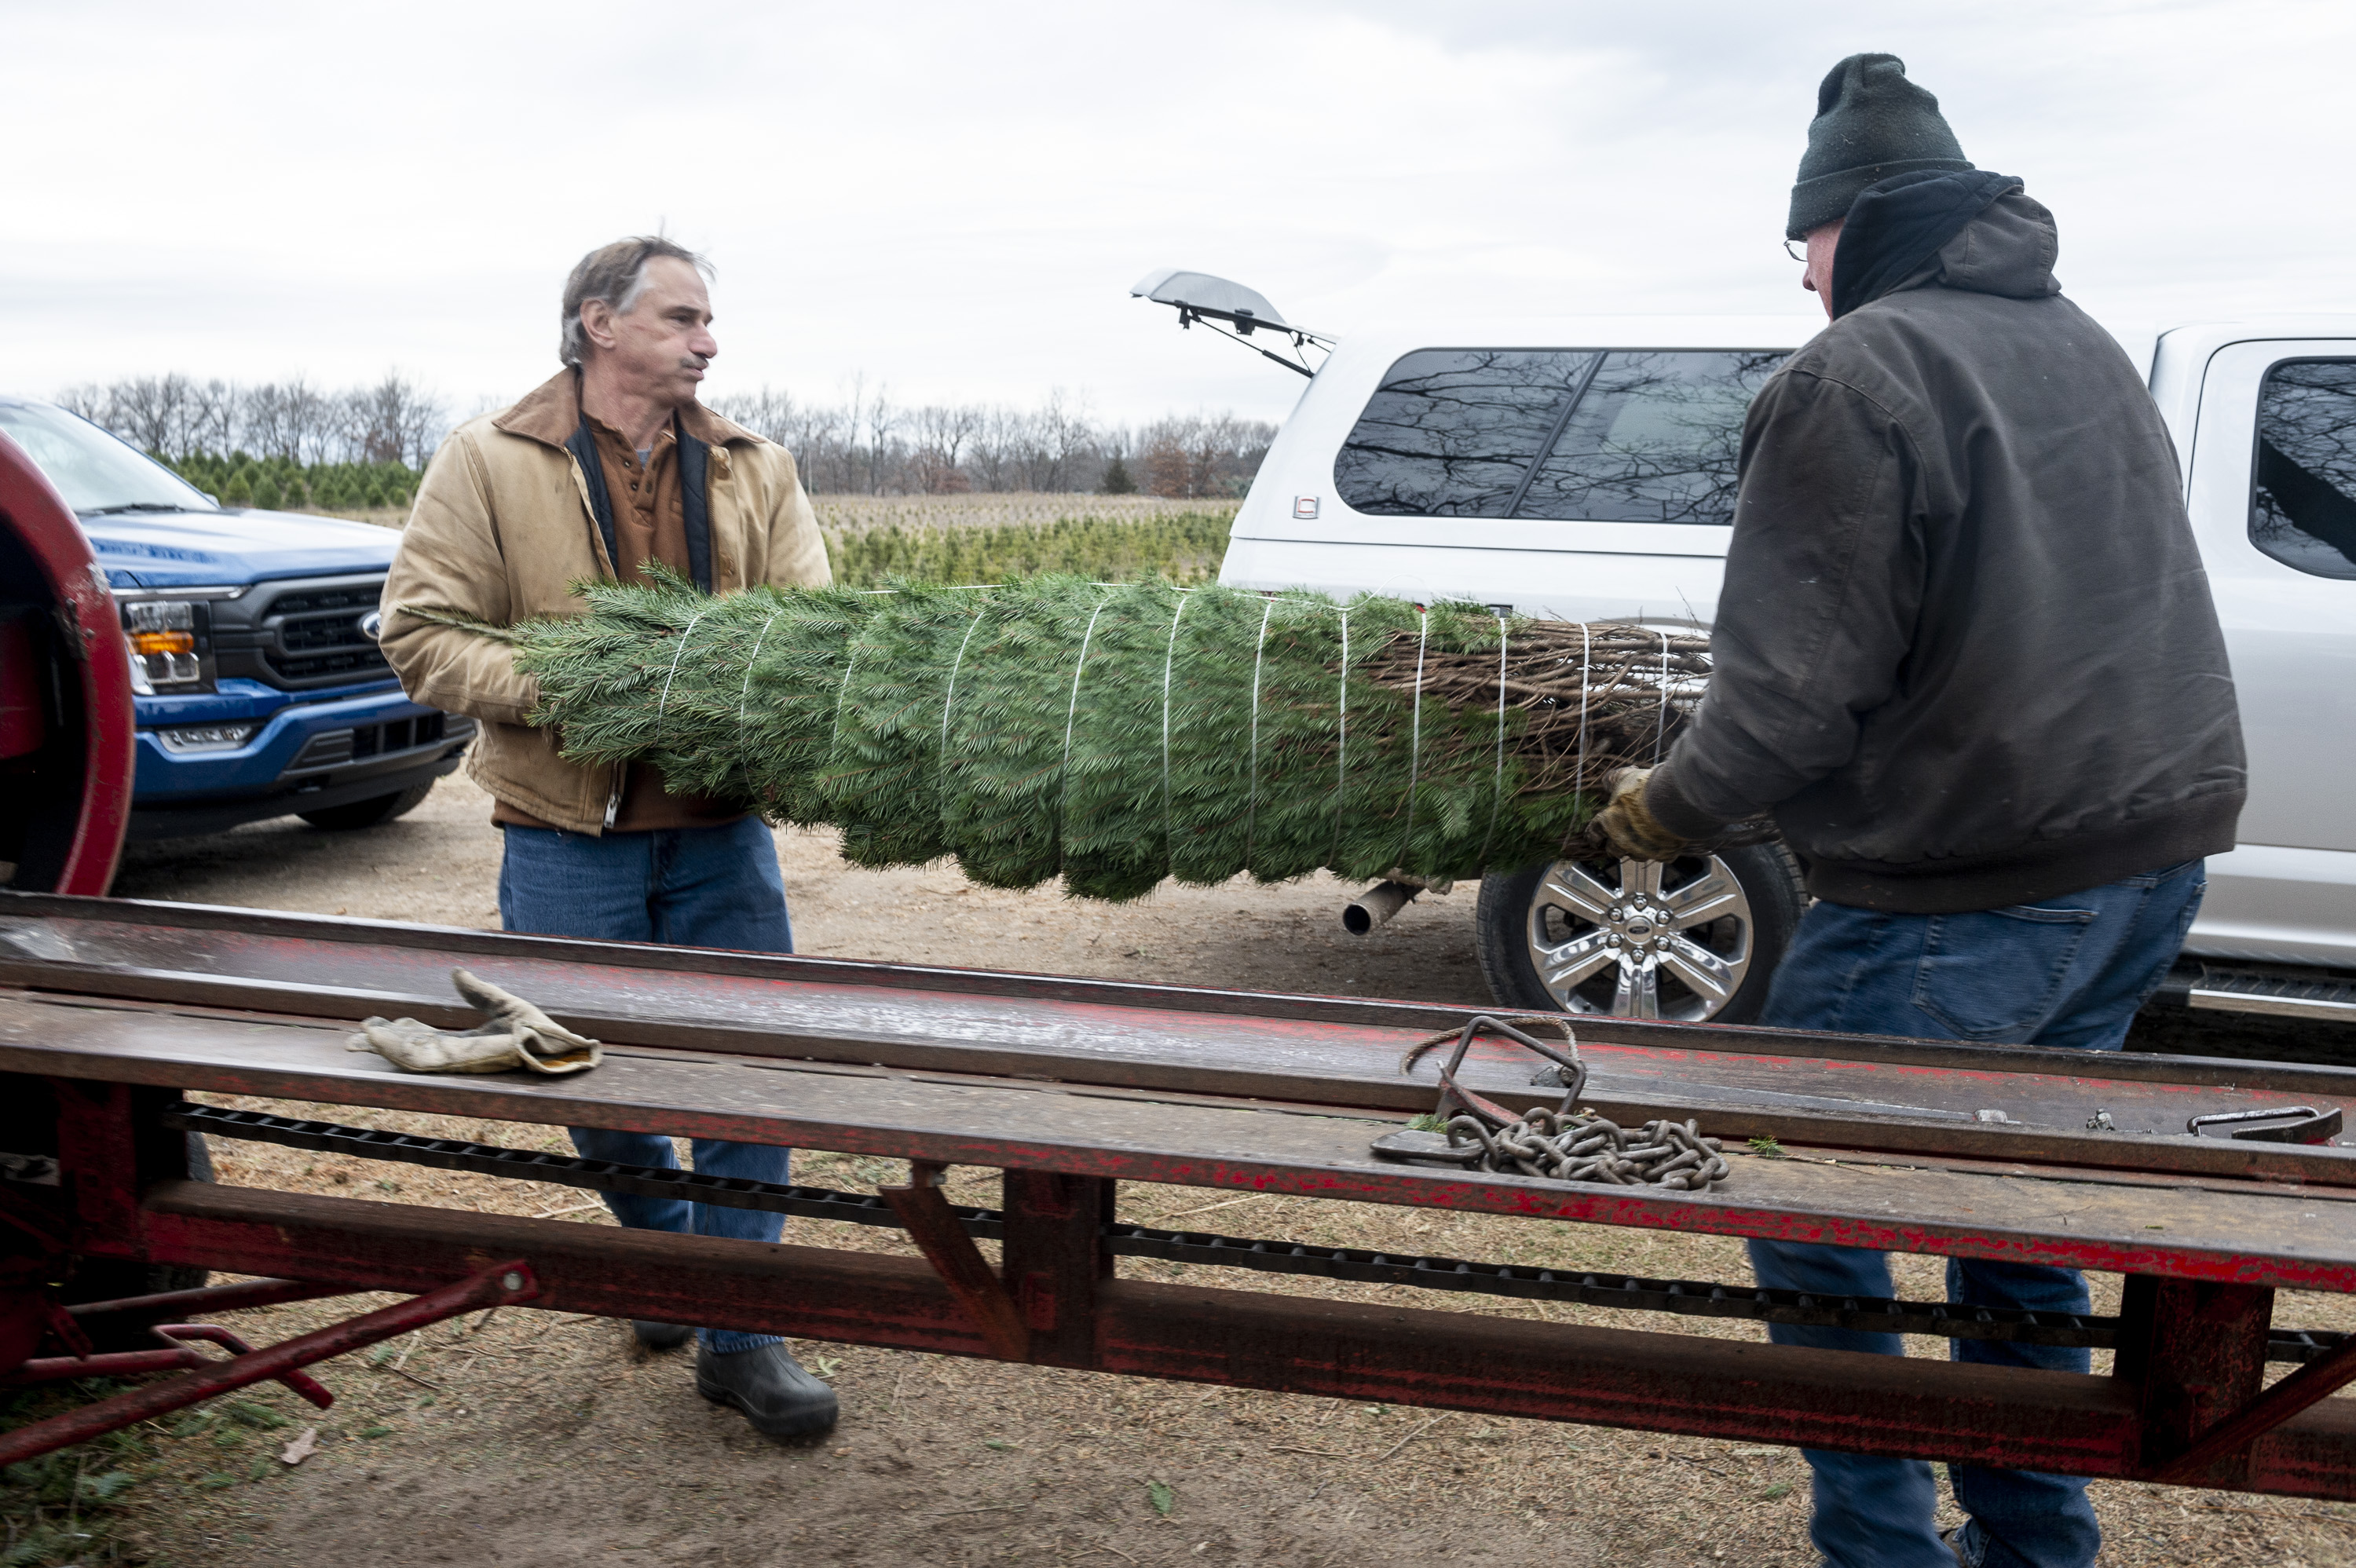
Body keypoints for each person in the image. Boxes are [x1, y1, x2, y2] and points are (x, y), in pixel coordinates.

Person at [1594, 54, 2245, 1568]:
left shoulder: (1855, 373)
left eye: (1801, 245)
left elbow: (1788, 699)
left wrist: (1663, 807)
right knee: (2012, 1215)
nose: (1801, 277)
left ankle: (1881, 1552)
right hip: (2143, 862)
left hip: (1971, 888)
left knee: (1814, 1206)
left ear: (1853, 227)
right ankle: (2032, 1548)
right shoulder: (2076, 343)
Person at [378, 236, 839, 1441]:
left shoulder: (756, 465)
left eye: (707, 319)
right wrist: (582, 686)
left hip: (722, 836)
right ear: (598, 323)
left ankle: (739, 1333)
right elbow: (422, 633)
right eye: (683, 317)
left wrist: (766, 694)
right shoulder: (489, 458)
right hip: (564, 834)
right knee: (588, 1083)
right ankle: (670, 1255)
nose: (709, 339)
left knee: (744, 1081)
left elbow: (814, 631)